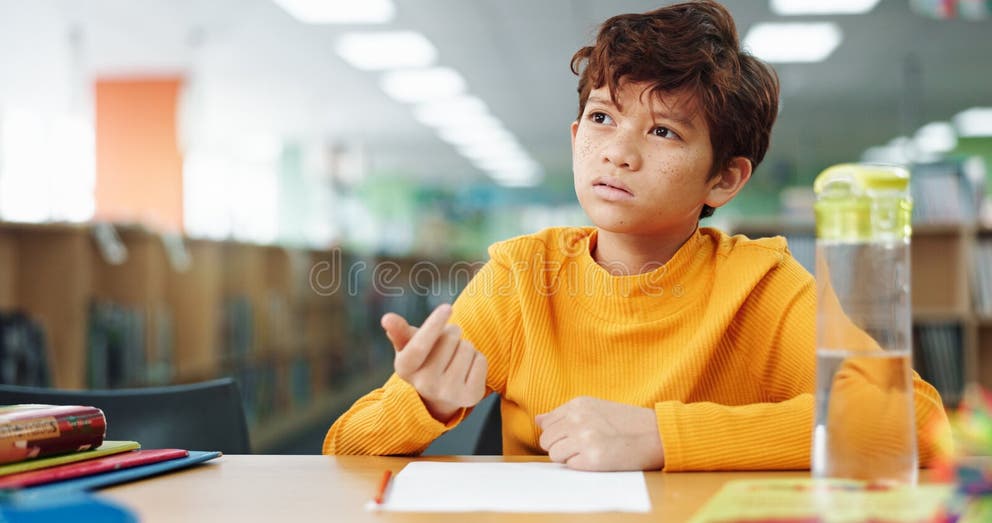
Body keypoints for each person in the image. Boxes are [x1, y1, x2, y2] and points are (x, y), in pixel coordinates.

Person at [323, 0, 950, 472]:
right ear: (576, 139)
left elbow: (913, 423)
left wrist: (661, 437)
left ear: (725, 180)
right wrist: (424, 403)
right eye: (601, 117)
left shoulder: (762, 285)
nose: (616, 152)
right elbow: (342, 452)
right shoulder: (521, 278)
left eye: (663, 132)